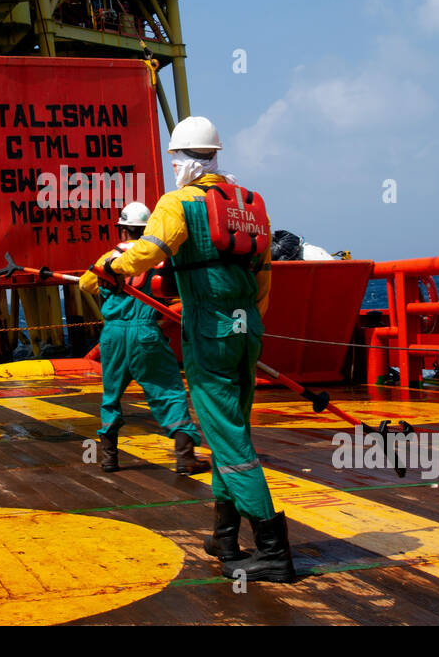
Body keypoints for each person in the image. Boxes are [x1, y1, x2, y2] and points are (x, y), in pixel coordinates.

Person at [81, 116, 294, 583]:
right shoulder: (251, 204)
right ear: (215, 155)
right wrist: (247, 323)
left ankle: (274, 550)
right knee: (228, 429)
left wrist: (109, 262)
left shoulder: (177, 203)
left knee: (232, 440)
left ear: (181, 161)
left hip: (210, 333)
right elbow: (263, 274)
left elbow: (147, 252)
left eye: (175, 159)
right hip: (246, 329)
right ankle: (224, 535)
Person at [79, 202, 207, 476]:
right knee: (169, 392)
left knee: (111, 396)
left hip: (113, 335)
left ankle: (109, 459)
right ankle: (185, 457)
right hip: (146, 333)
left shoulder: (109, 258)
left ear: (123, 230)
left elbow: (85, 284)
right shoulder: (160, 258)